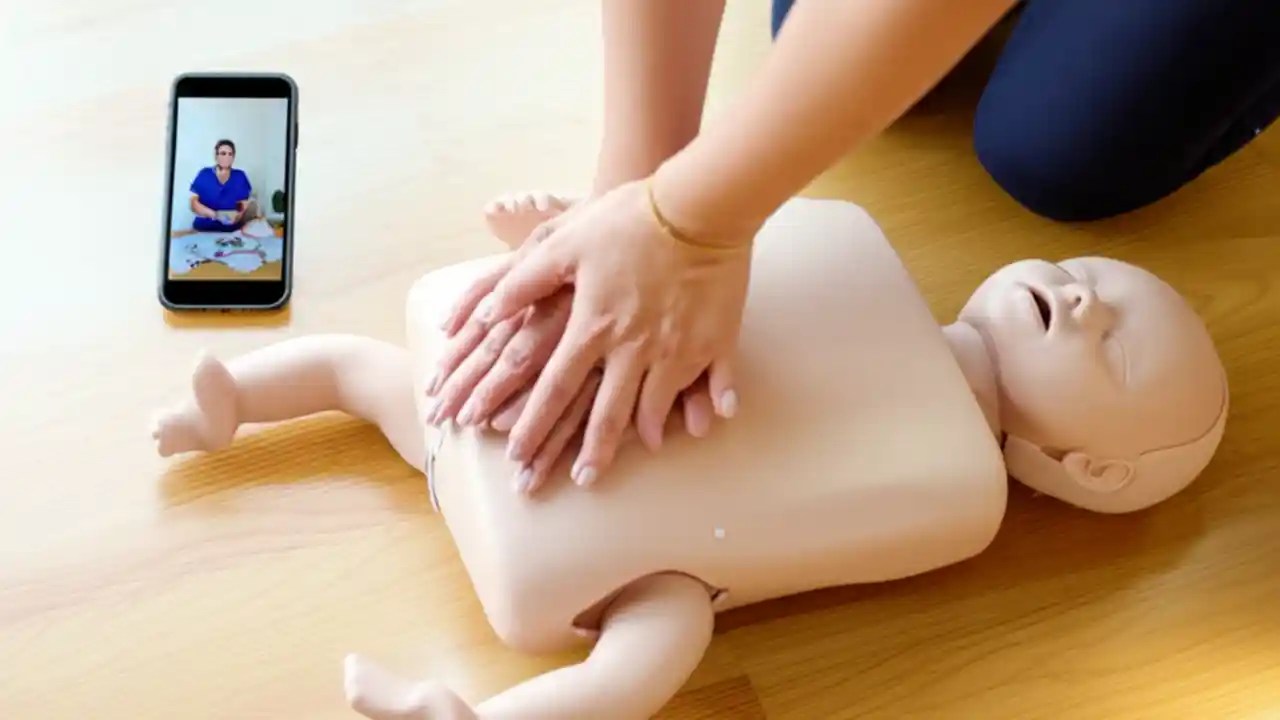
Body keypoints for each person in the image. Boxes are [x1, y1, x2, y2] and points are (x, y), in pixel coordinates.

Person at [427, 0, 1277, 490]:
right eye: (1098, 287)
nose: (1089, 301)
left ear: (1089, 468)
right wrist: (636, 190)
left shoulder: (938, 494)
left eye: (1115, 345)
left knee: (1064, 150)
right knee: (818, 33)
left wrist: (687, 225)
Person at [188, 139, 259, 233]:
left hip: (232, 231)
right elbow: (193, 204)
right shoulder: (204, 174)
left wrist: (239, 216)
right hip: (204, 229)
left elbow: (243, 204)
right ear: (216, 156)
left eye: (230, 154)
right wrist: (215, 215)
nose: (227, 157)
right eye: (223, 153)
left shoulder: (240, 176)